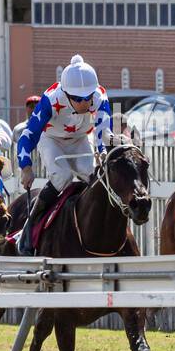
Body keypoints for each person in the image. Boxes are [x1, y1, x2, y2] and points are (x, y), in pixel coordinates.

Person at [15, 55, 112, 255]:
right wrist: (25, 167)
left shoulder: (100, 97)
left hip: (80, 140)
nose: (84, 103)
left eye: (87, 97)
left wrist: (102, 151)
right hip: (51, 140)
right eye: (77, 99)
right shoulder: (50, 100)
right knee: (62, 176)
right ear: (66, 94)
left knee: (94, 177)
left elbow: (104, 130)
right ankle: (29, 225)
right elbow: (29, 135)